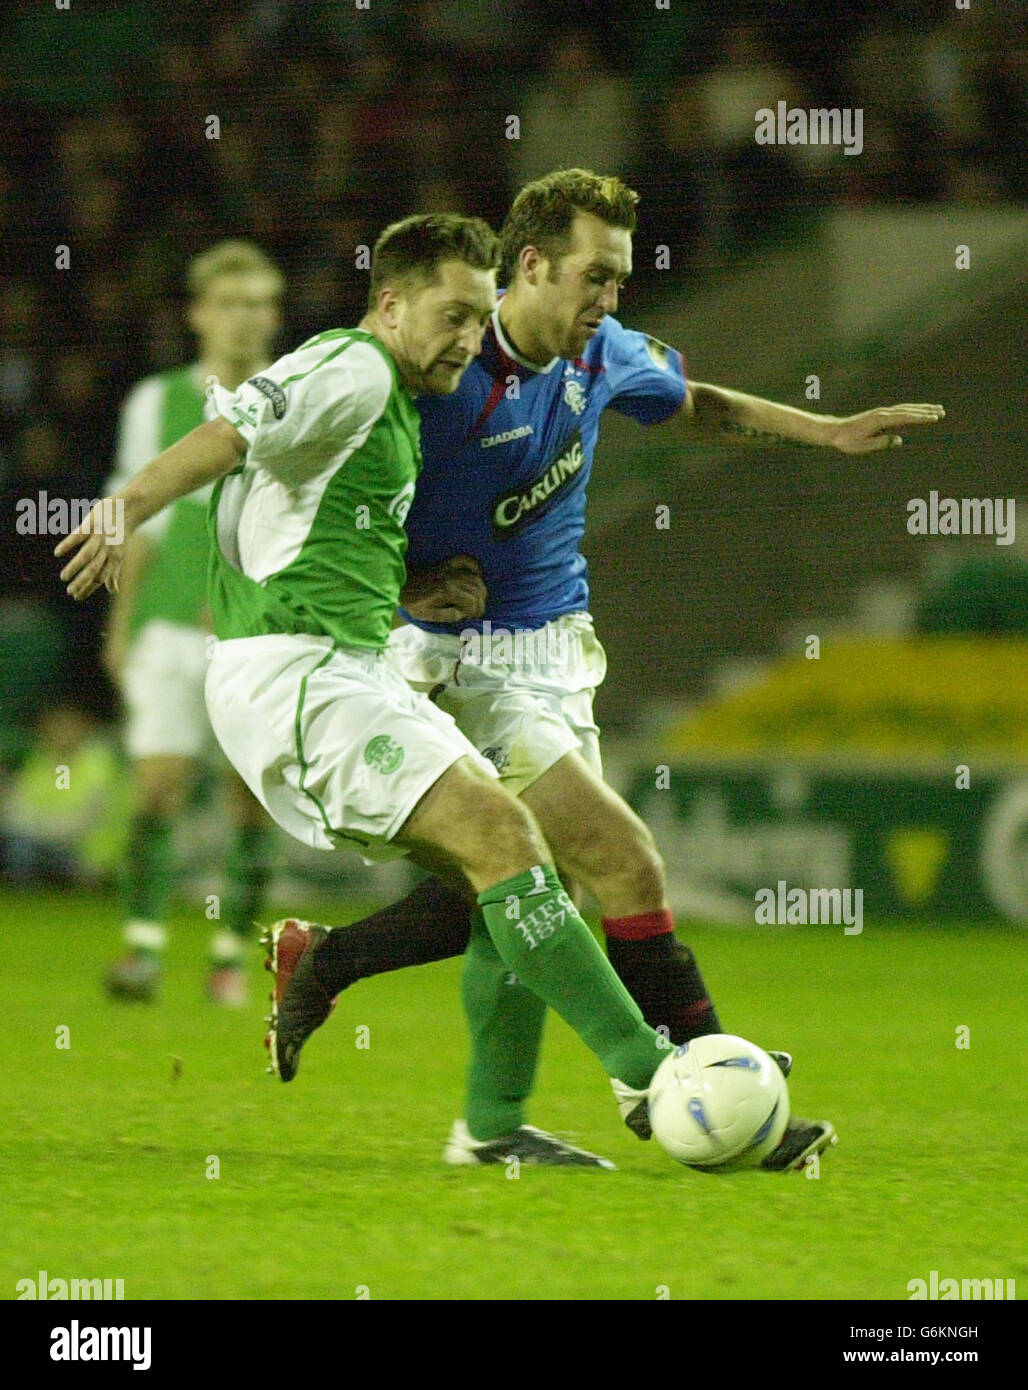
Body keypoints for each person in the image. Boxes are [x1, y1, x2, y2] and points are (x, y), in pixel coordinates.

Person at [264, 169, 944, 1170]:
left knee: (516, 903)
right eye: (595, 277)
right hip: (458, 660)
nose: (609, 300)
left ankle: (468, 1110)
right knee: (618, 856)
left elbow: (694, 402)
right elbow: (331, 509)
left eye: (619, 281)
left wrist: (826, 430)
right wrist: (408, 589)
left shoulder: (603, 353)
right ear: (527, 265)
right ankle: (689, 1076)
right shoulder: (432, 379)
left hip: (556, 653)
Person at [56, 212, 671, 1166]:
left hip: (342, 666)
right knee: (507, 836)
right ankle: (653, 1075)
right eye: (452, 314)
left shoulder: (389, 403)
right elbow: (229, 435)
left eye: (480, 319)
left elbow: (290, 524)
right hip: (293, 677)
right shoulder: (349, 367)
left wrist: (412, 589)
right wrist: (125, 505)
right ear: (390, 304)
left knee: (508, 872)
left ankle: (493, 1126)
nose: (469, 338)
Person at [102, 241, 284, 1004]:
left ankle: (230, 959)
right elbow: (137, 517)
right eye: (231, 303)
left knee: (250, 797)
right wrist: (120, 626)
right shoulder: (156, 401)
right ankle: (142, 950)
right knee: (158, 787)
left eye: (259, 303)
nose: (246, 318)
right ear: (199, 314)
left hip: (258, 632)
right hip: (169, 629)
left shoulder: (295, 397)